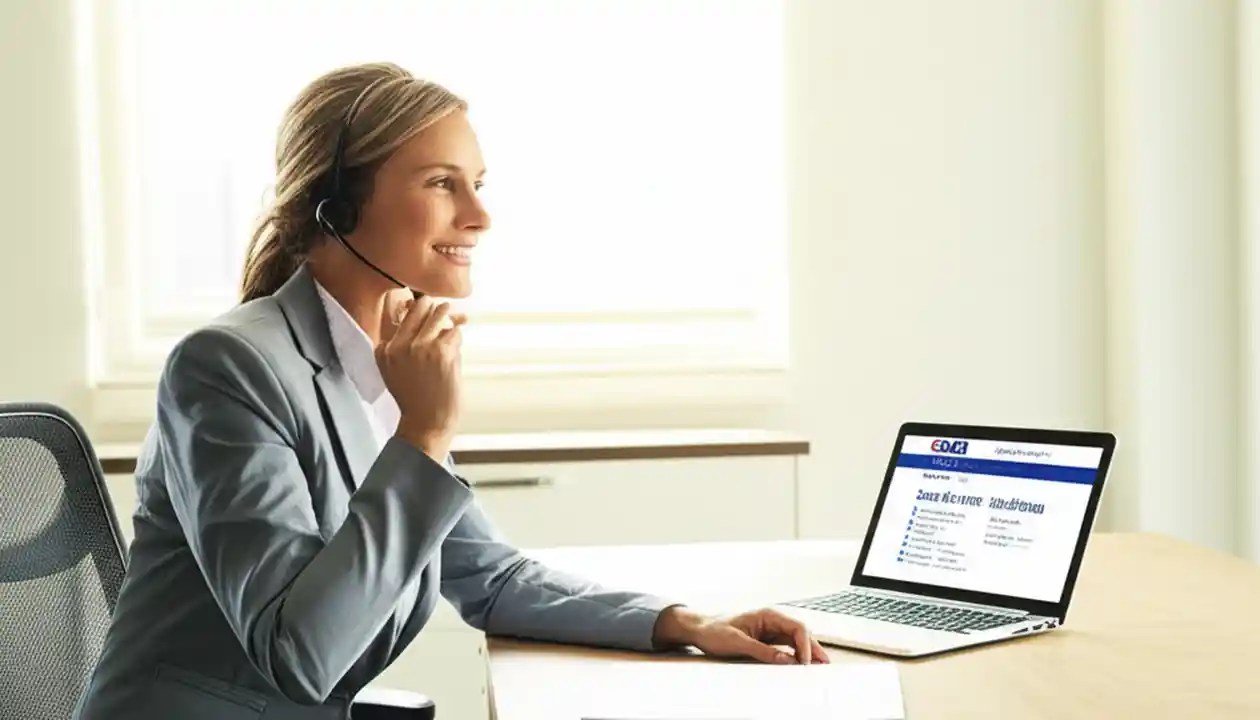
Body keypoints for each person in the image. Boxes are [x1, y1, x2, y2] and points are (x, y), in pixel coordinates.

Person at [75, 62, 827, 720]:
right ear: (336, 201)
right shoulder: (227, 367)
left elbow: (490, 577)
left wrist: (684, 623)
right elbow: (298, 656)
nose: (480, 215)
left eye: (478, 183)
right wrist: (423, 437)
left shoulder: (387, 357)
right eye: (441, 183)